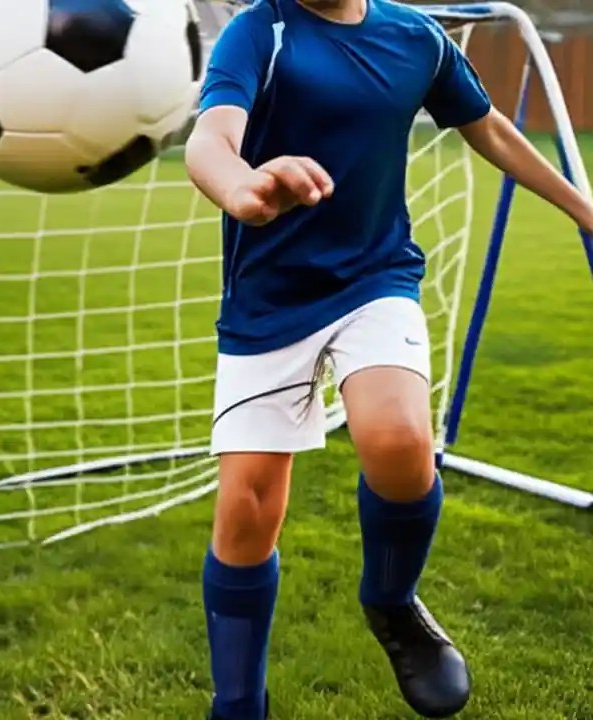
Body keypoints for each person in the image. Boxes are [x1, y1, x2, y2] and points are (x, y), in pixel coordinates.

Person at [183, 0, 593, 717]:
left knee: (401, 440)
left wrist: (582, 205)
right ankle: (239, 703)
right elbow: (210, 138)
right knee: (248, 509)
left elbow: (488, 126)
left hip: (376, 278)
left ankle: (393, 604)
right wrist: (240, 186)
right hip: (268, 300)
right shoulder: (262, 30)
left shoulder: (419, 38)